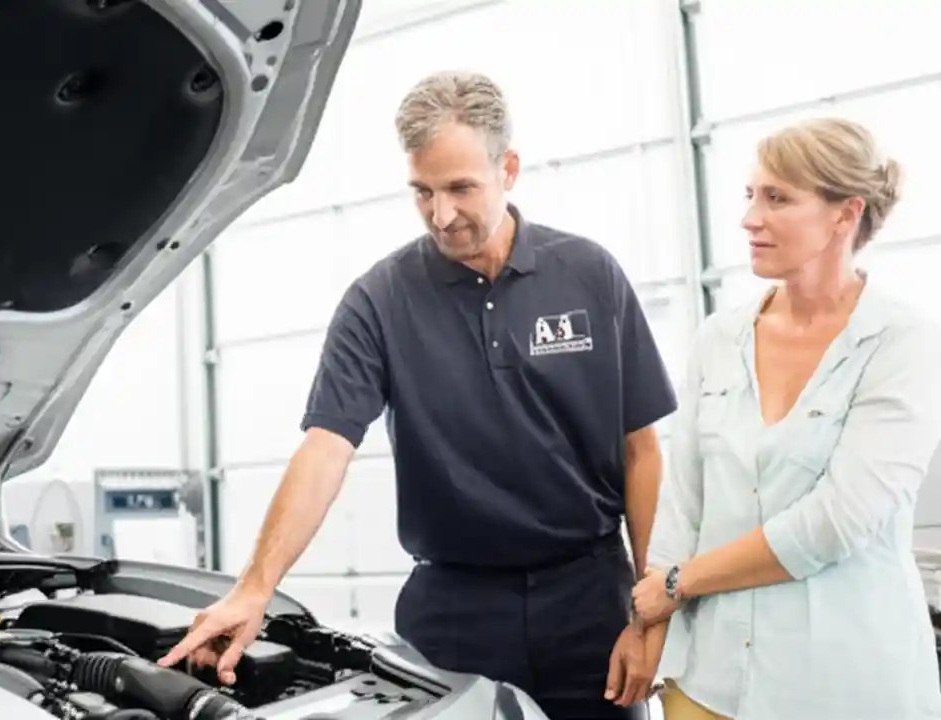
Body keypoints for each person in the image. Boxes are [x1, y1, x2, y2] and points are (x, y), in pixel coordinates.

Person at [158, 70, 677, 719]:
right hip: (455, 614)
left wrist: (651, 606)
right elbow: (326, 448)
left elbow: (642, 452)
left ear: (508, 168)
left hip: (590, 598)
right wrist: (254, 587)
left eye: (461, 188)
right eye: (422, 192)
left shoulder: (590, 276)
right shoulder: (379, 301)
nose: (442, 214)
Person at [632, 117, 941, 719]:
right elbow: (683, 503)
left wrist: (679, 585)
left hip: (845, 687)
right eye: (750, 195)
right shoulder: (718, 338)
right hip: (708, 684)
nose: (750, 217)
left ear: (844, 215)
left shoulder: (901, 344)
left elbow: (837, 520)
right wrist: (649, 633)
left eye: (777, 198)